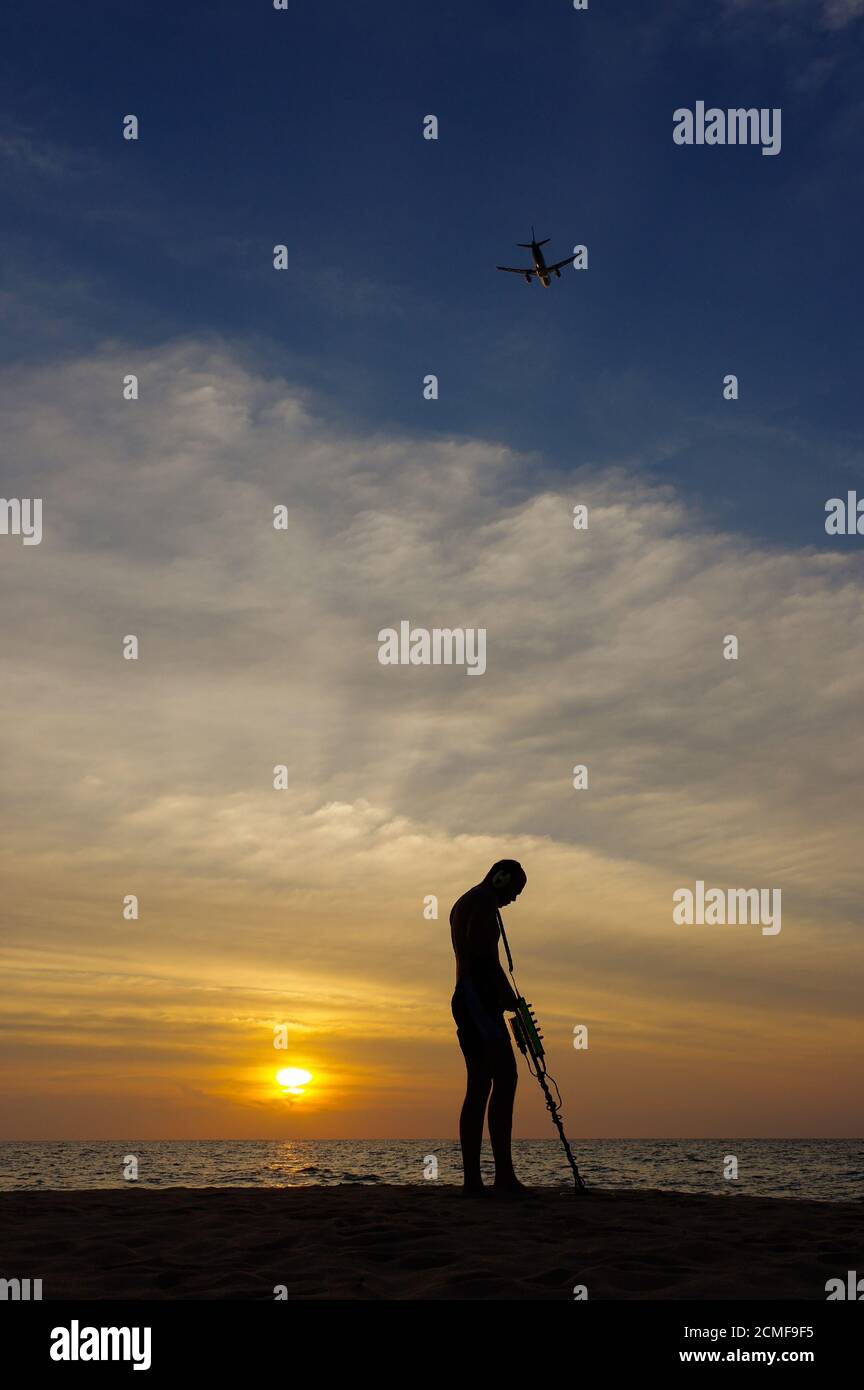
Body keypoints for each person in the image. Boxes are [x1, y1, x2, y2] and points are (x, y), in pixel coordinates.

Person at [449, 859, 529, 1196]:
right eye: (513, 891)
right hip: (478, 1002)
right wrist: (506, 994)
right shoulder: (481, 904)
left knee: (479, 1085)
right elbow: (484, 957)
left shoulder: (465, 902)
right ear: (501, 878)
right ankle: (504, 1177)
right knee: (506, 1077)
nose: (513, 899)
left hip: (468, 1000)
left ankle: (473, 1182)